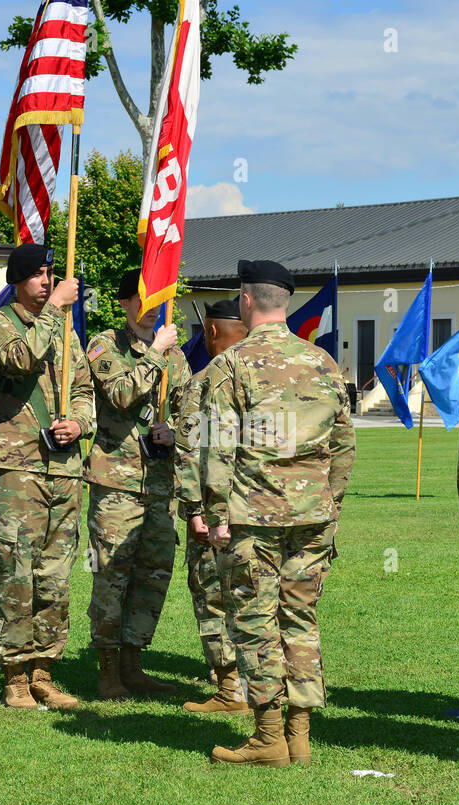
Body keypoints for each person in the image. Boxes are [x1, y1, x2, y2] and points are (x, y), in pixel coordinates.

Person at [202, 261, 356, 767]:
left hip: (253, 518)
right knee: (301, 620)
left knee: (254, 622)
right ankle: (300, 734)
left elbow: (217, 448)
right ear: (283, 303)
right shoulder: (323, 362)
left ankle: (269, 736)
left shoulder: (231, 365)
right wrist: (330, 502)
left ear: (246, 300)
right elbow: (343, 444)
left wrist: (216, 513)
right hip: (312, 516)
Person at [0, 243, 91, 710]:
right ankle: (14, 675)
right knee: (14, 573)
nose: (47, 282)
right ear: (18, 280)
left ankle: (44, 670)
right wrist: (57, 308)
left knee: (54, 577)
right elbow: (21, 360)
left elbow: (82, 387)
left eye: (51, 274)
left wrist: (80, 422)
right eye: (38, 275)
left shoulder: (65, 331)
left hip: (63, 468)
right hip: (15, 468)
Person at [84, 267, 190, 699]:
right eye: (139, 301)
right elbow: (122, 395)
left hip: (162, 484)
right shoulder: (104, 345)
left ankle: (134, 661)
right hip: (117, 482)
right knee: (112, 573)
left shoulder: (177, 357)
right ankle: (107, 668)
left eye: (154, 301)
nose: (148, 311)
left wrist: (176, 431)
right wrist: (155, 353)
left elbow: (191, 412)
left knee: (153, 574)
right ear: (125, 304)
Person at [176, 299, 249, 714]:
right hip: (266, 511)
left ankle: (228, 687)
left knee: (211, 597)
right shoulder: (267, 375)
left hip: (215, 510)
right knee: (256, 597)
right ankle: (263, 686)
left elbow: (188, 452)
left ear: (213, 331)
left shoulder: (206, 380)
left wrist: (195, 511)